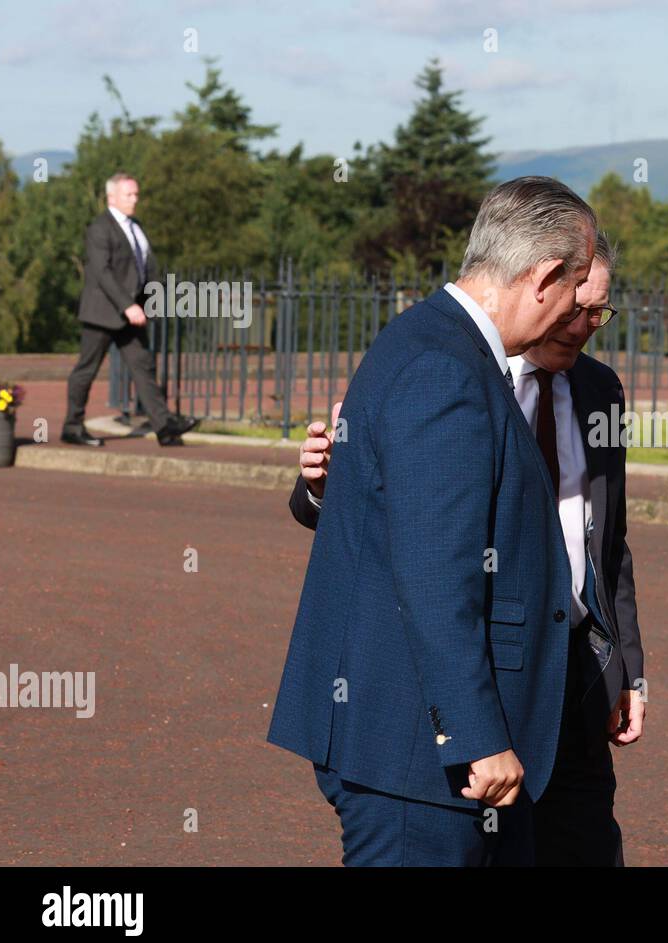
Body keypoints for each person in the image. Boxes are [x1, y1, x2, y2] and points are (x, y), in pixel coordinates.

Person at [267, 176, 597, 866]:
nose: (574, 312)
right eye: (573, 291)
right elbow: (434, 575)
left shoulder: (435, 343)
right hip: (420, 758)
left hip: (420, 748)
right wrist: (474, 733)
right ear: (542, 277)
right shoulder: (443, 368)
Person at [63, 172, 199, 447]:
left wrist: (152, 302)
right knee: (86, 369)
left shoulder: (136, 226)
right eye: (129, 194)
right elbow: (102, 272)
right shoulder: (100, 227)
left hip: (132, 314)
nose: (135, 199)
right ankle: (72, 427)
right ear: (112, 197)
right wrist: (127, 306)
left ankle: (164, 427)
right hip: (103, 313)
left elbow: (146, 268)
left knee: (143, 367)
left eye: (137, 194)